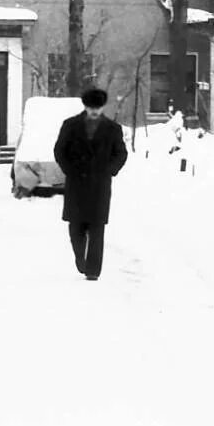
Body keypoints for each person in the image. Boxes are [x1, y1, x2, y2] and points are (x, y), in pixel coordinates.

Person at [54, 87, 128, 281]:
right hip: (76, 182)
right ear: (85, 106)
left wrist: (109, 170)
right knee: (75, 227)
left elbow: (121, 153)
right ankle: (80, 258)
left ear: (102, 107)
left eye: (97, 107)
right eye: (90, 107)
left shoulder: (113, 129)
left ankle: (93, 270)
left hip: (99, 185)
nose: (94, 111)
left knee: (97, 229)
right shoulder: (70, 125)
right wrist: (69, 170)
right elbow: (60, 150)